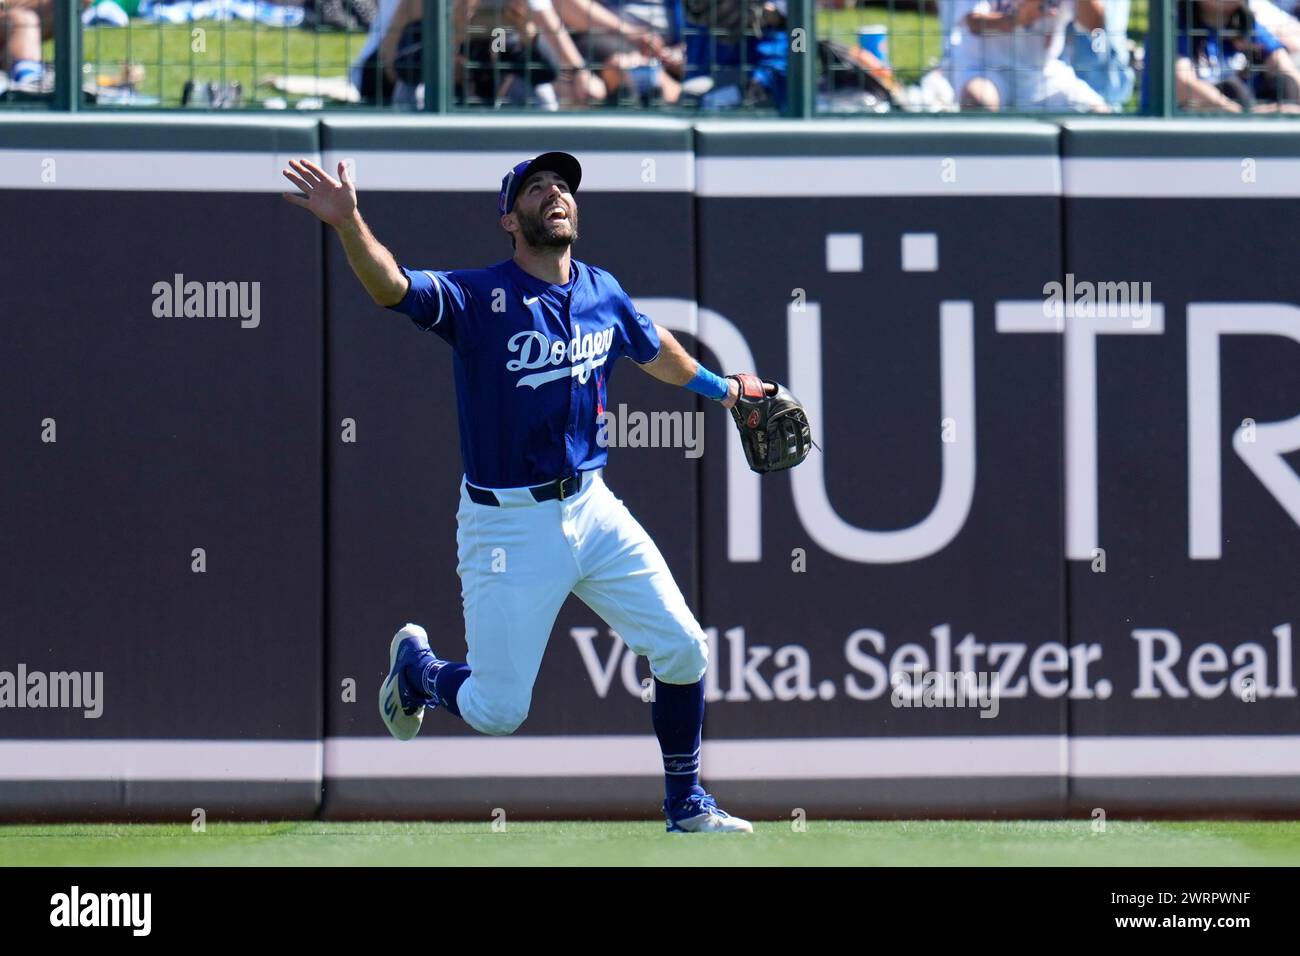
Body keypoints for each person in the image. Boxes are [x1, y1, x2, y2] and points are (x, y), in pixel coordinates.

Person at [280, 151, 761, 833]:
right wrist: (349, 221)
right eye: (536, 188)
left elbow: (653, 348)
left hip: (592, 508)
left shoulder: (602, 290)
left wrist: (725, 392)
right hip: (506, 526)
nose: (555, 193)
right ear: (510, 219)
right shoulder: (479, 298)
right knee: (498, 711)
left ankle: (686, 804)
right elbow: (391, 287)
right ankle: (418, 671)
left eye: (563, 185)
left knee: (684, 648)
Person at [950, 0, 1109, 111]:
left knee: (1098, 115)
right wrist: (1017, 19)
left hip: (1043, 73)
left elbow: (1095, 25)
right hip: (985, 68)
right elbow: (974, 23)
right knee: (979, 101)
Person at [1173, 0, 1300, 110]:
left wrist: (1287, 109)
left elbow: (1285, 68)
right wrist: (1242, 114)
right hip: (1211, 122)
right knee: (1233, 88)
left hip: (1260, 115)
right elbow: (1182, 85)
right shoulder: (1176, 29)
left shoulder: (1250, 26)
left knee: (1286, 82)